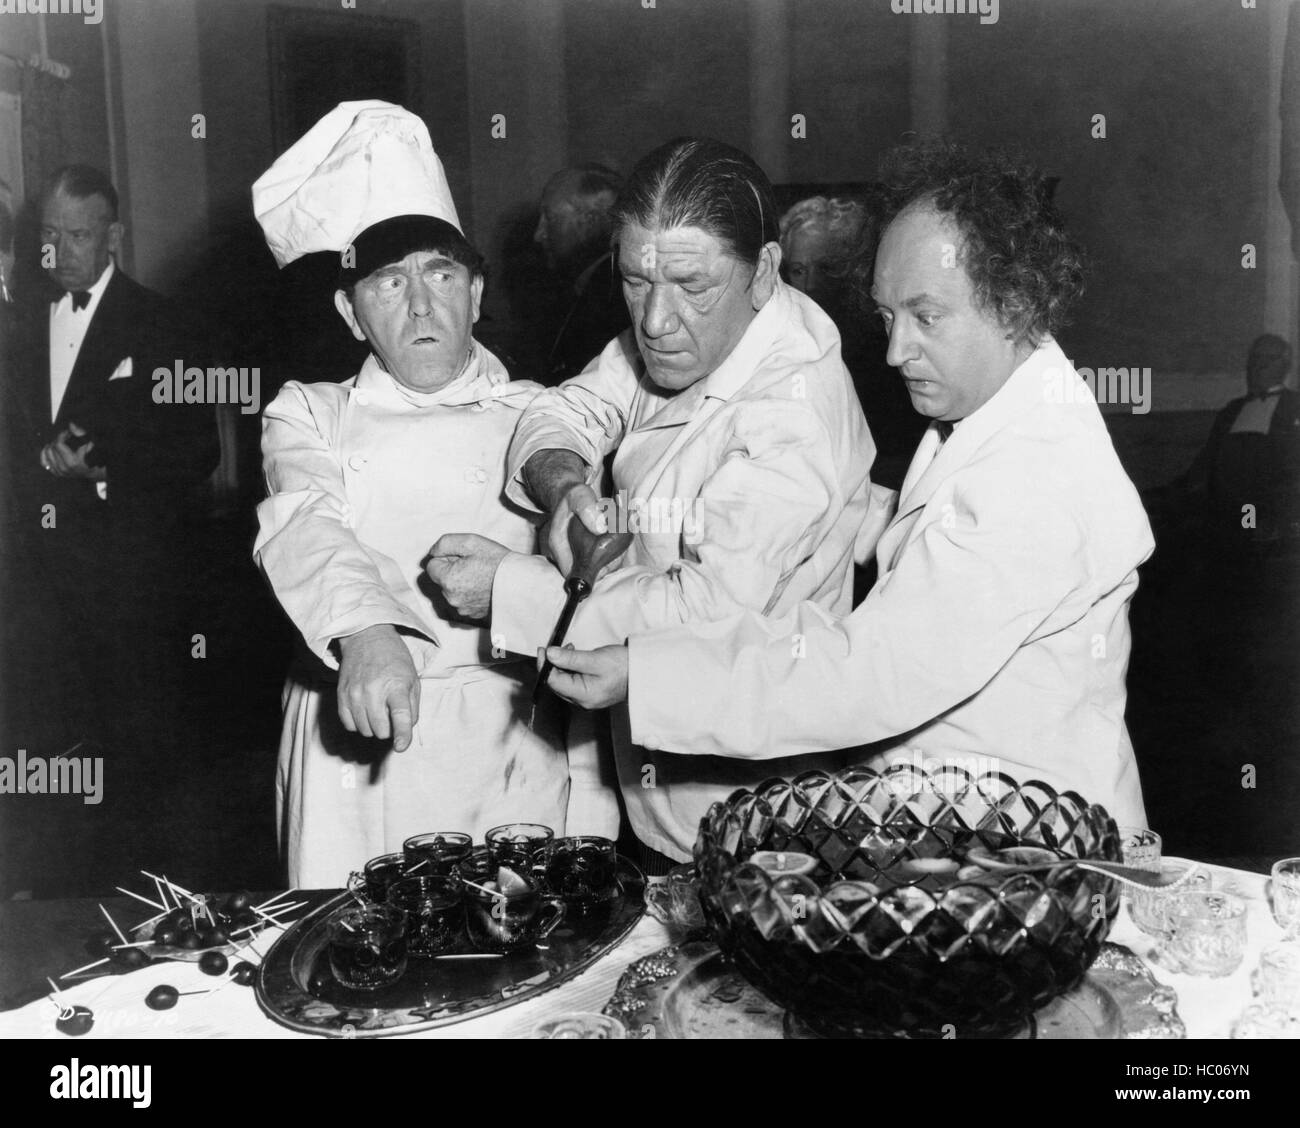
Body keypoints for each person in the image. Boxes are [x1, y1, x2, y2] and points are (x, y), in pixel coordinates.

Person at [542, 141, 1156, 830]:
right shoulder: (993, 416)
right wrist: (848, 505)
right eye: (888, 317)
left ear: (1012, 305)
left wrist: (650, 677)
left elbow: (868, 675)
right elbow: (935, 541)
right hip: (967, 825)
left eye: (926, 317)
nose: (895, 352)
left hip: (1033, 850)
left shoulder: (1036, 476)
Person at [426, 137, 880, 870]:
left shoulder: (794, 411)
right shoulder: (687, 331)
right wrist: (563, 484)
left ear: (763, 273)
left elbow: (704, 611)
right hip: (652, 778)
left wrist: (509, 588)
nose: (656, 321)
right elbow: (566, 411)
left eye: (690, 285)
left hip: (757, 804)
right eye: (635, 281)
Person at [252, 102, 571, 887]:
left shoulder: (549, 416)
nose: (421, 305)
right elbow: (303, 521)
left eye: (441, 273)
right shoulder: (308, 411)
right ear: (350, 313)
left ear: (476, 289)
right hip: (353, 740)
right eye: (389, 283)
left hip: (512, 736)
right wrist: (364, 630)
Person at [6, 165, 218, 761]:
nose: (59, 250)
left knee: (137, 753)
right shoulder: (18, 325)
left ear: (114, 236)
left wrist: (101, 473)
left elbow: (200, 451)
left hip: (129, 590)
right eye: (50, 233)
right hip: (36, 593)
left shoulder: (165, 325)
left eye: (78, 235)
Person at [781, 192, 926, 496]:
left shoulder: (884, 345)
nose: (809, 286)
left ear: (850, 270)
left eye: (824, 269)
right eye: (798, 270)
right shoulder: (781, 338)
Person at [1182, 334, 1299, 548]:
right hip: (1221, 515)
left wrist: (1275, 519)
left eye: (1268, 358)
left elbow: (1292, 471)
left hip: (1265, 517)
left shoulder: (1294, 406)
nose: (1259, 365)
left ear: (1285, 365)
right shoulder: (1231, 410)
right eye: (1255, 357)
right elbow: (1206, 461)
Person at [534, 164, 630, 384]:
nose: (538, 235)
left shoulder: (613, 295)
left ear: (591, 221)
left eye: (549, 218)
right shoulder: (592, 286)